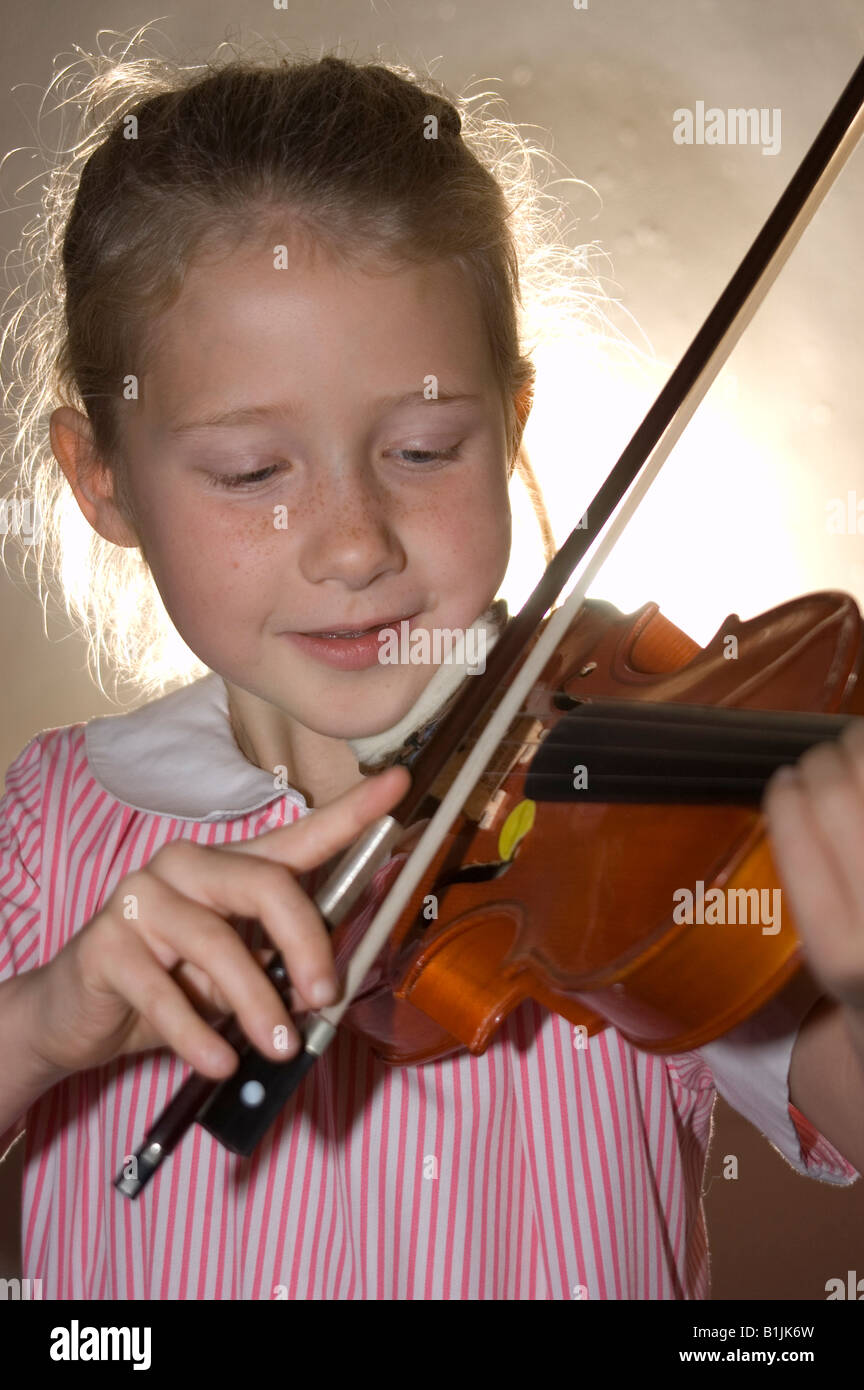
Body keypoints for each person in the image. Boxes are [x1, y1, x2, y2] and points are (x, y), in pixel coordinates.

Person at [0, 41, 861, 1301]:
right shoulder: (46, 833)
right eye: (252, 471)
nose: (353, 544)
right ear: (102, 479)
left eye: (421, 447)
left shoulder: (634, 845)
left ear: (511, 428)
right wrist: (35, 1025)